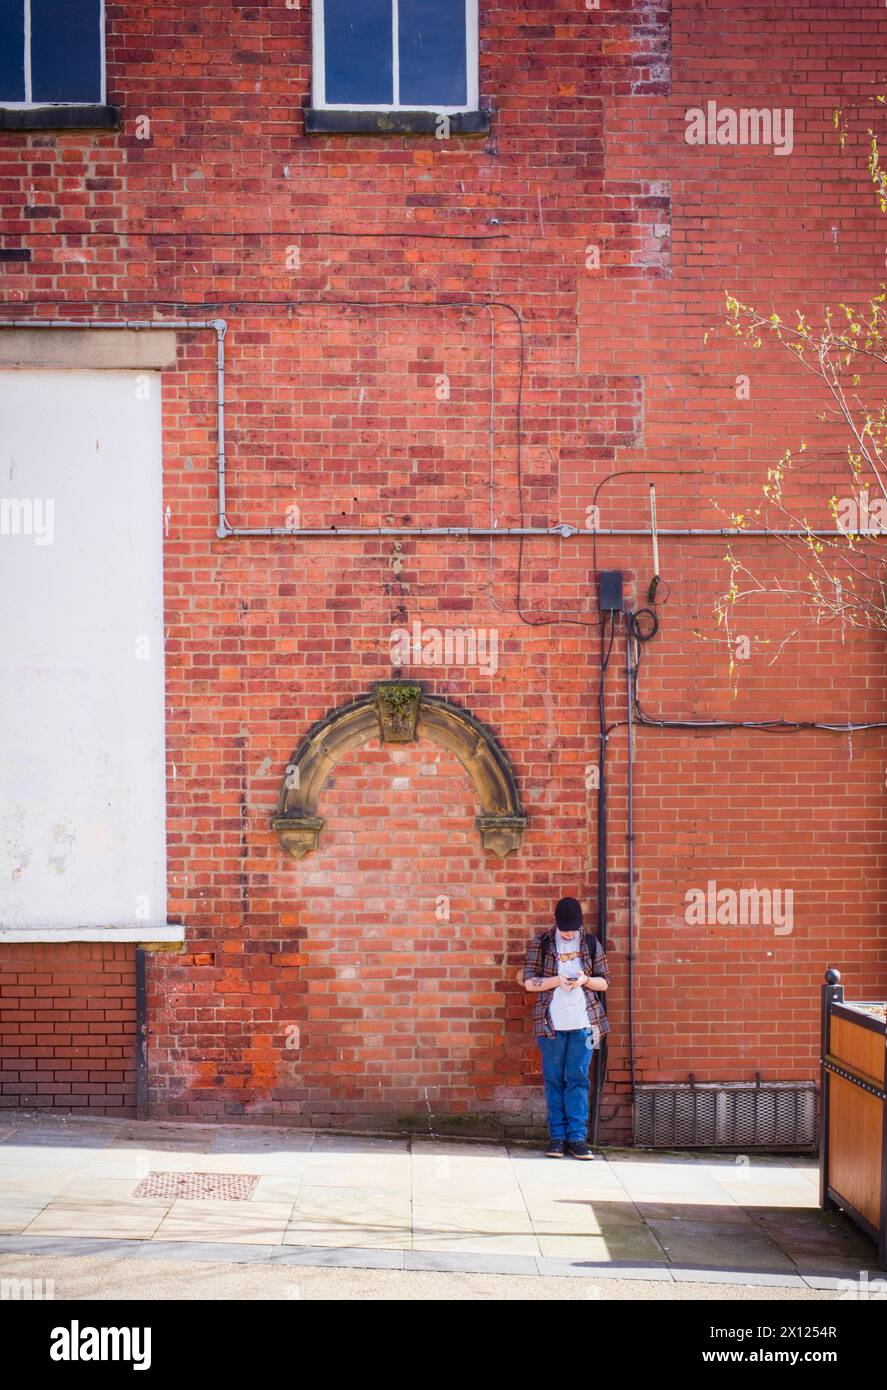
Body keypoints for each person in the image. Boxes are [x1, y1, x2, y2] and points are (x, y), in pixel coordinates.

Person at [521, 896, 610, 1158]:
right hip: (550, 1024)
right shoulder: (544, 943)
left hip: (586, 1024)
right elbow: (528, 982)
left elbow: (605, 982)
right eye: (564, 928)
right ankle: (557, 1138)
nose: (569, 933)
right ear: (556, 924)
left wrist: (584, 979)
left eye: (573, 928)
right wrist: (556, 981)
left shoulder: (591, 943)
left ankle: (577, 1138)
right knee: (553, 1080)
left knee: (578, 1079)